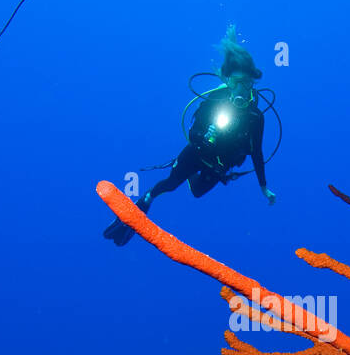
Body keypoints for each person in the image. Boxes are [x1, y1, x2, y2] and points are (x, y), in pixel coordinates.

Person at [104, 28, 275, 246]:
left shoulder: (255, 117)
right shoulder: (214, 100)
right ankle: (145, 201)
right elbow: (193, 132)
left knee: (197, 192)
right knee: (171, 183)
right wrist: (203, 136)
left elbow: (257, 152)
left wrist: (263, 187)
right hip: (198, 152)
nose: (241, 89)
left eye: (247, 84)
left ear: (252, 84)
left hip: (219, 165)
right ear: (228, 81)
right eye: (236, 82)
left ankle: (191, 180)